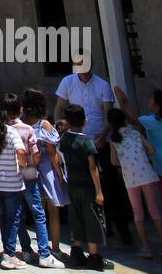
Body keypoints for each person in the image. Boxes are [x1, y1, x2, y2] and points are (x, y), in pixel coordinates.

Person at [54, 54, 131, 244]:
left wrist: (103, 135)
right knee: (82, 184)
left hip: (98, 139)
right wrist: (59, 129)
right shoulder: (68, 82)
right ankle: (91, 230)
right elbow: (60, 107)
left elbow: (108, 114)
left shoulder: (102, 85)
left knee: (109, 185)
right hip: (77, 141)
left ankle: (120, 228)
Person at [3, 93, 63, 268]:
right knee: (44, 213)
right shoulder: (38, 127)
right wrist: (59, 174)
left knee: (19, 213)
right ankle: (50, 250)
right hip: (41, 172)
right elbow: (50, 153)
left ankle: (27, 249)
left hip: (17, 175)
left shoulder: (10, 127)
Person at [107, 107, 162, 260]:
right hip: (146, 173)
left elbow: (114, 161)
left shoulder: (114, 139)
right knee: (154, 210)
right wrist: (143, 157)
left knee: (138, 212)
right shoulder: (136, 133)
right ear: (124, 119)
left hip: (130, 177)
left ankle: (146, 247)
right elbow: (152, 149)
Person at [117, 85, 162, 244]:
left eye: (151, 98)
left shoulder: (151, 122)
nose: (148, 100)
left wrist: (124, 102)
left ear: (157, 105)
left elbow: (131, 119)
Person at [59, 102, 107, 270]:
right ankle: (94, 255)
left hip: (72, 184)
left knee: (76, 217)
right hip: (87, 186)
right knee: (92, 218)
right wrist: (99, 191)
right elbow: (92, 168)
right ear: (85, 121)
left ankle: (77, 251)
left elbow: (61, 161)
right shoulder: (87, 142)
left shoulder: (64, 140)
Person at [22, 88, 69, 258]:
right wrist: (59, 174)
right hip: (47, 169)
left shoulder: (22, 123)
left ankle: (34, 247)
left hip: (28, 169)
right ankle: (54, 248)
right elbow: (52, 152)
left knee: (36, 211)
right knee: (53, 211)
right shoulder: (44, 125)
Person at [0, 96, 30, 269]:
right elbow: (20, 151)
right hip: (13, 182)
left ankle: (6, 249)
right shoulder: (11, 132)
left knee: (5, 216)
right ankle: (9, 253)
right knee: (15, 217)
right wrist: (23, 163)